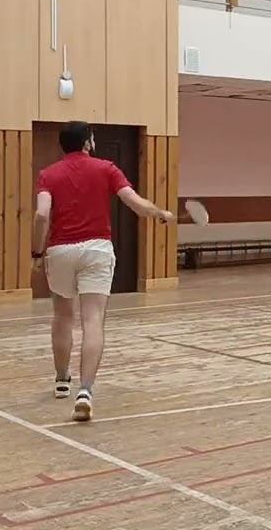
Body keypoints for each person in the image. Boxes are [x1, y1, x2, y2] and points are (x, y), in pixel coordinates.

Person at [32, 121, 175, 422]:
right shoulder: (106, 168)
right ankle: (85, 391)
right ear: (88, 142)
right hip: (97, 250)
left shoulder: (48, 174)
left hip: (60, 251)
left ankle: (62, 380)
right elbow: (134, 203)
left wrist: (36, 251)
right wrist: (159, 213)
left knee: (62, 316)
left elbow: (41, 214)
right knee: (93, 319)